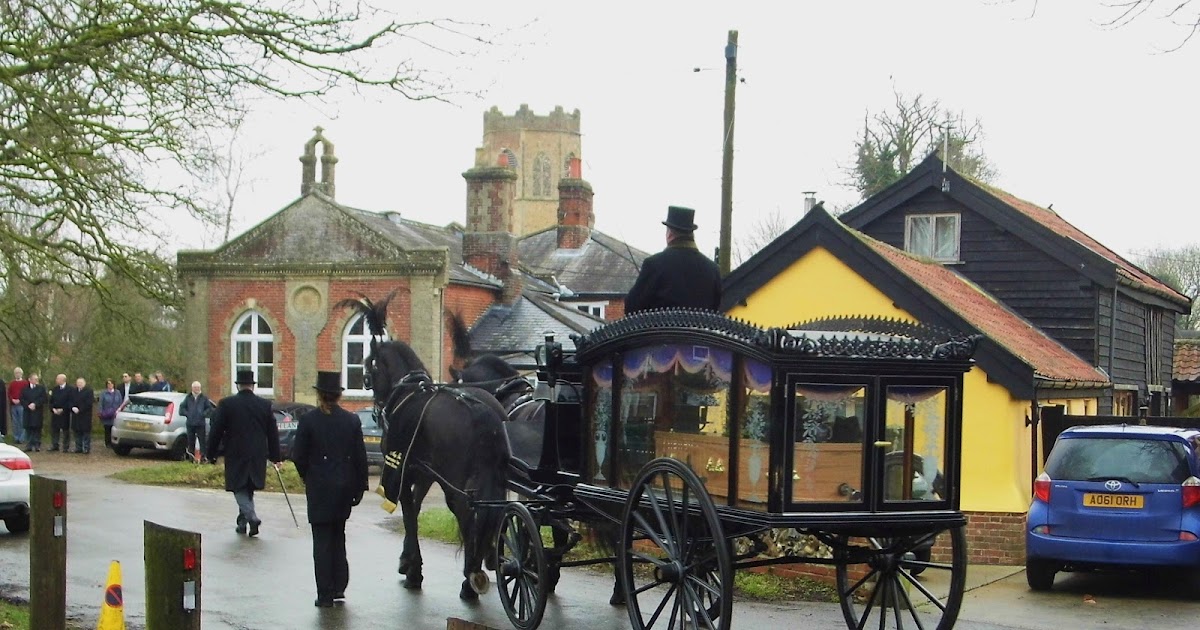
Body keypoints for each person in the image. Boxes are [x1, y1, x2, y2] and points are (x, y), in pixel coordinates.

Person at [291, 371, 368, 607]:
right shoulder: (352, 420)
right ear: (338, 395)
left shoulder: (309, 421)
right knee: (338, 536)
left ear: (319, 395)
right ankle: (339, 586)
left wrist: (308, 476)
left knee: (322, 541)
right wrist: (360, 487)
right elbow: (359, 458)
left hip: (319, 487)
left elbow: (298, 456)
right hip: (344, 487)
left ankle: (324, 593)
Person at [207, 370, 281, 537]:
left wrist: (210, 453)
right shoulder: (264, 405)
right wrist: (276, 456)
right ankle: (242, 523)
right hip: (257, 453)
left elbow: (216, 431)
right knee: (248, 486)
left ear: (238, 385)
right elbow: (272, 432)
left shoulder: (227, 404)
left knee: (238, 486)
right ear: (252, 386)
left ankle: (251, 517)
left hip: (235, 452)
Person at [624, 206, 723, 314]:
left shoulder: (654, 264)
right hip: (700, 330)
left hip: (662, 330)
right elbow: (715, 307)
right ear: (691, 235)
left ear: (670, 234)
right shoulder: (713, 270)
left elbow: (632, 307)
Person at [180, 381, 215, 462]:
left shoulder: (204, 398)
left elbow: (209, 408)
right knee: (190, 441)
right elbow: (182, 409)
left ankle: (203, 458)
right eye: (195, 387)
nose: (197, 389)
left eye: (198, 387)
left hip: (200, 423)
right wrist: (188, 414)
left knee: (202, 441)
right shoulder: (188, 398)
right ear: (192, 388)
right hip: (190, 423)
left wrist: (203, 414)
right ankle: (190, 458)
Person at [20, 374, 47, 452]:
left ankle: (37, 445)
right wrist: (28, 405)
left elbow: (44, 398)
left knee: (37, 429)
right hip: (28, 412)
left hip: (37, 411)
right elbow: (22, 399)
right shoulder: (25, 389)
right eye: (34, 379)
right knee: (28, 429)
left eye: (37, 379)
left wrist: (35, 404)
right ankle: (29, 445)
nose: (36, 380)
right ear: (30, 379)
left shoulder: (41, 389)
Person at [48, 374, 73, 452]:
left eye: (58, 379)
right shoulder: (55, 389)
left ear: (63, 380)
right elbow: (51, 401)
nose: (56, 380)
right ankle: (55, 445)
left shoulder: (70, 389)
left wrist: (63, 409)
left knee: (66, 430)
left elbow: (70, 401)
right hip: (55, 412)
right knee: (54, 429)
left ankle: (66, 446)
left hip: (65, 413)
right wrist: (53, 409)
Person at [70, 377, 94, 454]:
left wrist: (80, 409)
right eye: (78, 383)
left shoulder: (89, 391)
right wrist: (72, 407)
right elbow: (70, 400)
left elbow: (89, 403)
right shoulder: (73, 391)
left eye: (80, 383)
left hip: (85, 415)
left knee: (85, 432)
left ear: (84, 383)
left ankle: (86, 448)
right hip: (75, 415)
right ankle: (78, 447)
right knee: (77, 432)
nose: (79, 384)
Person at [98, 379, 122, 448]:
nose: (110, 385)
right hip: (106, 413)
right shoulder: (103, 393)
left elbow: (120, 402)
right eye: (108, 384)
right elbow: (101, 403)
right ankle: (107, 443)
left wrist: (119, 410)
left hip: (115, 413)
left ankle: (114, 442)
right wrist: (100, 412)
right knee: (107, 428)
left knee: (114, 428)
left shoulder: (118, 392)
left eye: (111, 384)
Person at [9, 368, 28, 445]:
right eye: (16, 373)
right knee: (15, 422)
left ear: (21, 374)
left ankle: (22, 438)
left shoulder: (25, 383)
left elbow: (26, 393)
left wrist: (20, 400)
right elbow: (9, 393)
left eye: (18, 373)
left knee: (22, 421)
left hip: (21, 405)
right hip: (13, 405)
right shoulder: (12, 383)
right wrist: (12, 399)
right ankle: (16, 437)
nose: (17, 374)